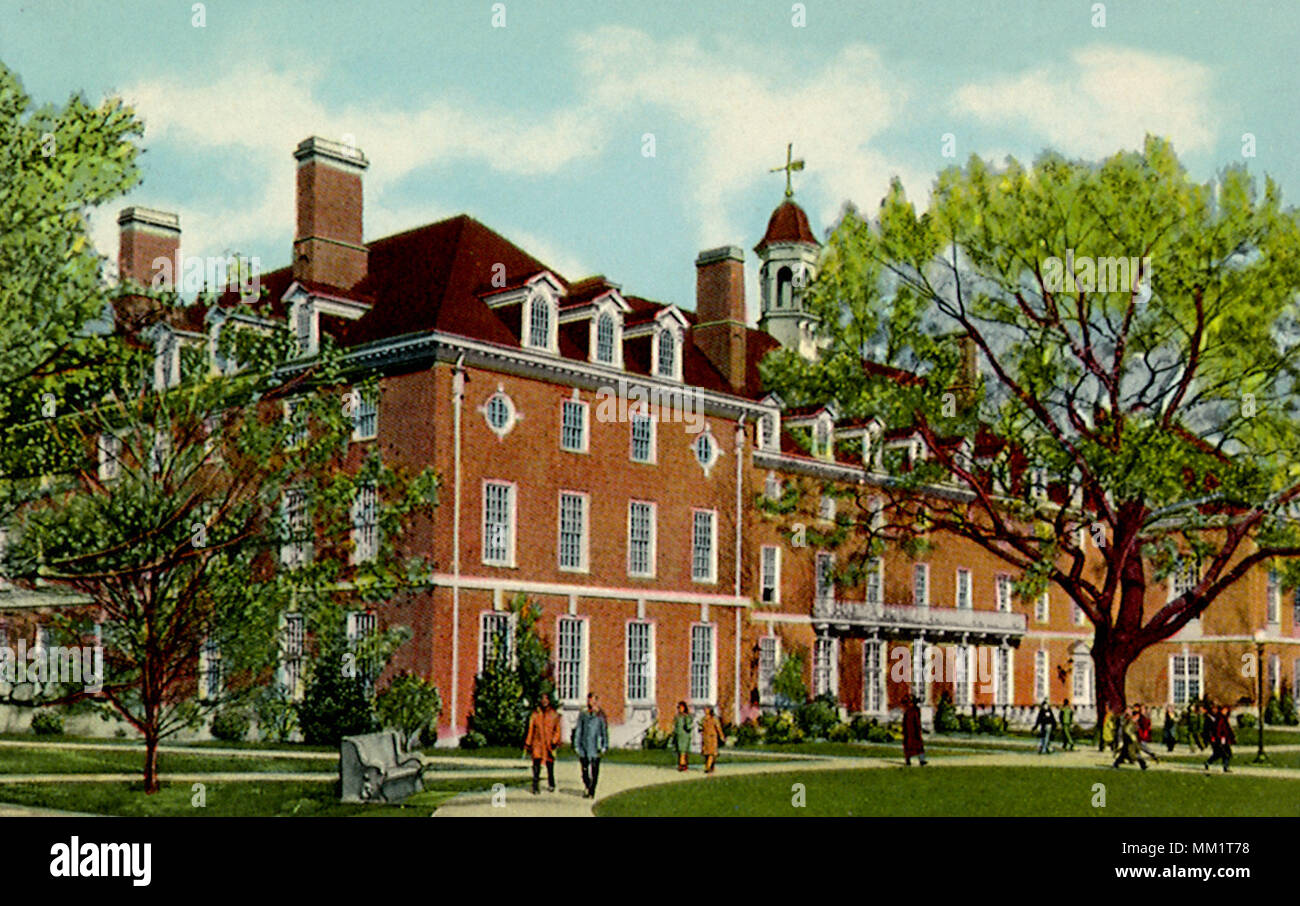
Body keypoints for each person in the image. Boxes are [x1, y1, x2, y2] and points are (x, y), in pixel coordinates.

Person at [524, 692, 563, 794]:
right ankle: (535, 785)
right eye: (542, 699)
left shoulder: (554, 715)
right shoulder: (535, 715)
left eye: (546, 699)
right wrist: (528, 743)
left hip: (549, 744)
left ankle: (551, 782)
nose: (544, 701)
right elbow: (531, 729)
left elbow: (557, 730)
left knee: (550, 765)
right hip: (538, 743)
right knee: (536, 765)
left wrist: (555, 741)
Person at [572, 692, 608, 798]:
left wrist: (604, 745)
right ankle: (587, 785)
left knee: (595, 770)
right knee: (584, 771)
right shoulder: (583, 715)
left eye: (593, 700)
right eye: (589, 700)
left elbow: (604, 732)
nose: (590, 703)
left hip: (596, 747)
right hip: (584, 746)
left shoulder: (600, 716)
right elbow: (579, 729)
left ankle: (592, 791)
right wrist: (576, 745)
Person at [1204, 705, 1236, 773]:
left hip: (1224, 738)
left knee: (1224, 753)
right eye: (1224, 710)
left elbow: (1227, 729)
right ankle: (1223, 766)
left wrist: (1231, 736)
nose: (1225, 711)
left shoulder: (1223, 718)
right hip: (1220, 738)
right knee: (1222, 753)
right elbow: (1217, 729)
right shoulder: (1220, 718)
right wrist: (1216, 738)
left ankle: (1223, 766)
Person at [699, 706, 725, 774]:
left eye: (707, 709)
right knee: (706, 754)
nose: (705, 710)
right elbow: (701, 727)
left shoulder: (714, 719)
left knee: (711, 753)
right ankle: (711, 765)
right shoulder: (703, 719)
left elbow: (718, 728)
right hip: (705, 738)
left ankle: (708, 767)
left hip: (712, 737)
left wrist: (721, 736)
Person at [902, 695, 927, 766]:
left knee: (917, 745)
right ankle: (909, 760)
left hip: (913, 731)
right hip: (911, 731)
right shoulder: (911, 711)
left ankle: (920, 760)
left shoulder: (913, 710)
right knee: (912, 745)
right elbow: (912, 721)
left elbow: (916, 721)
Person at [671, 701, 693, 771]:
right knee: (679, 751)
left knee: (682, 750)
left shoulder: (686, 716)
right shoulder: (677, 717)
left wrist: (688, 725)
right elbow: (675, 726)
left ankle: (682, 764)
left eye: (680, 707)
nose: (679, 709)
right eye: (678, 707)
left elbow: (689, 726)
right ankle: (682, 763)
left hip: (684, 736)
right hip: (678, 735)